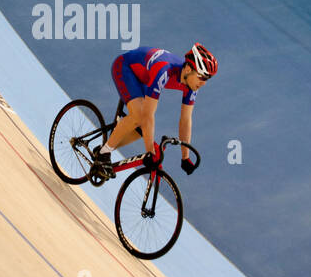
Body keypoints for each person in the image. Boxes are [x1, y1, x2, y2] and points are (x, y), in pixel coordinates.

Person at [92, 43, 217, 178]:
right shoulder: (164, 70)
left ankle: (105, 148)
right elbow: (147, 115)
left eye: (207, 79)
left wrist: (185, 157)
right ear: (188, 69)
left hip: (145, 78)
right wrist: (150, 151)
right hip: (125, 67)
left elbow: (186, 120)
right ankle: (103, 154)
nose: (203, 83)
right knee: (140, 116)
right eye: (202, 77)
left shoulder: (192, 85)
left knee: (141, 130)